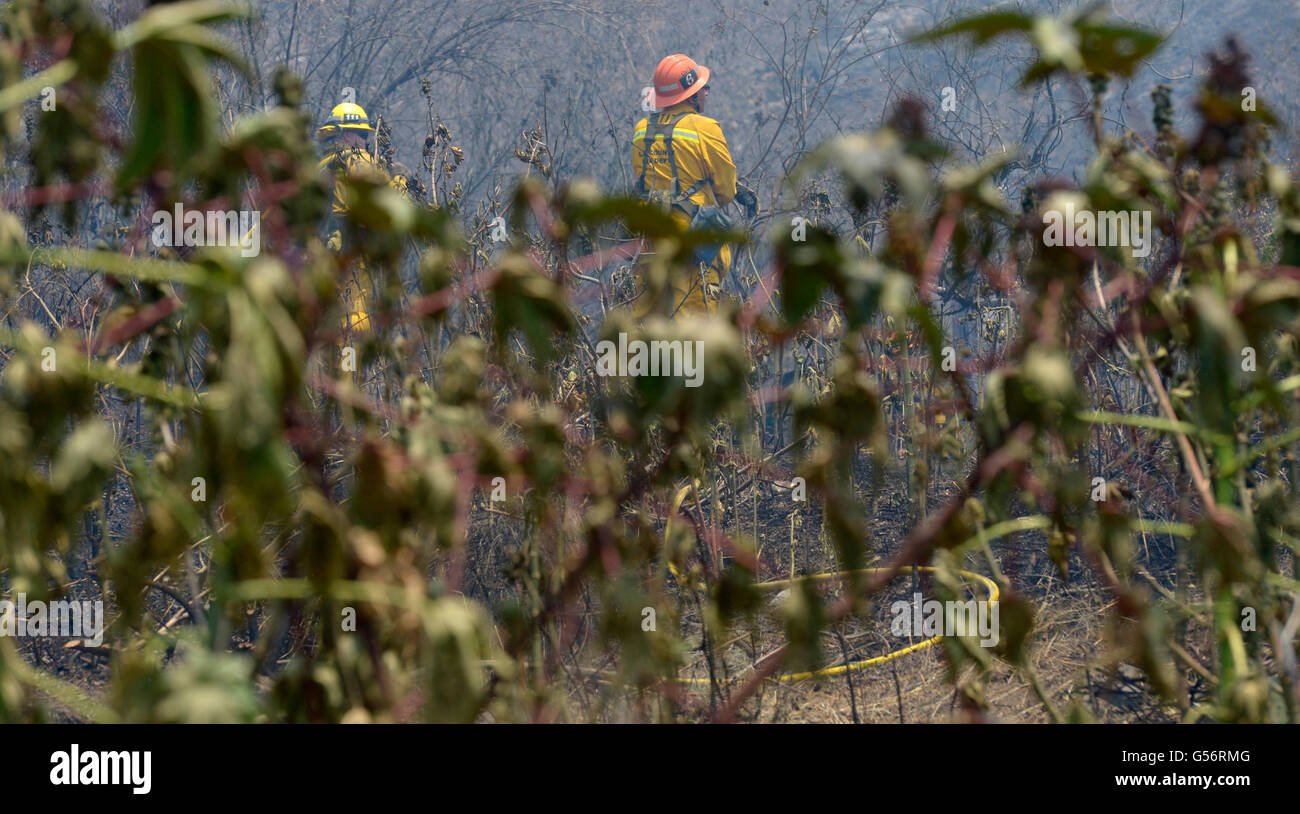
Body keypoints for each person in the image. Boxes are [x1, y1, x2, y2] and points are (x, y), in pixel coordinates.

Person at [631, 54, 757, 317]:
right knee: (693, 336)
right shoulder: (705, 128)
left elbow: (645, 182)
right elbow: (725, 190)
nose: (706, 94)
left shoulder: (642, 130)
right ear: (690, 95)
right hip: (693, 251)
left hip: (647, 247)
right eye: (703, 89)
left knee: (646, 329)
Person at [316, 101, 409, 334]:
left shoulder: (319, 168)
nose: (366, 141)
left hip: (321, 258)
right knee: (354, 321)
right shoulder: (357, 161)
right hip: (352, 255)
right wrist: (401, 181)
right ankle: (350, 368)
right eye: (360, 133)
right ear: (346, 134)